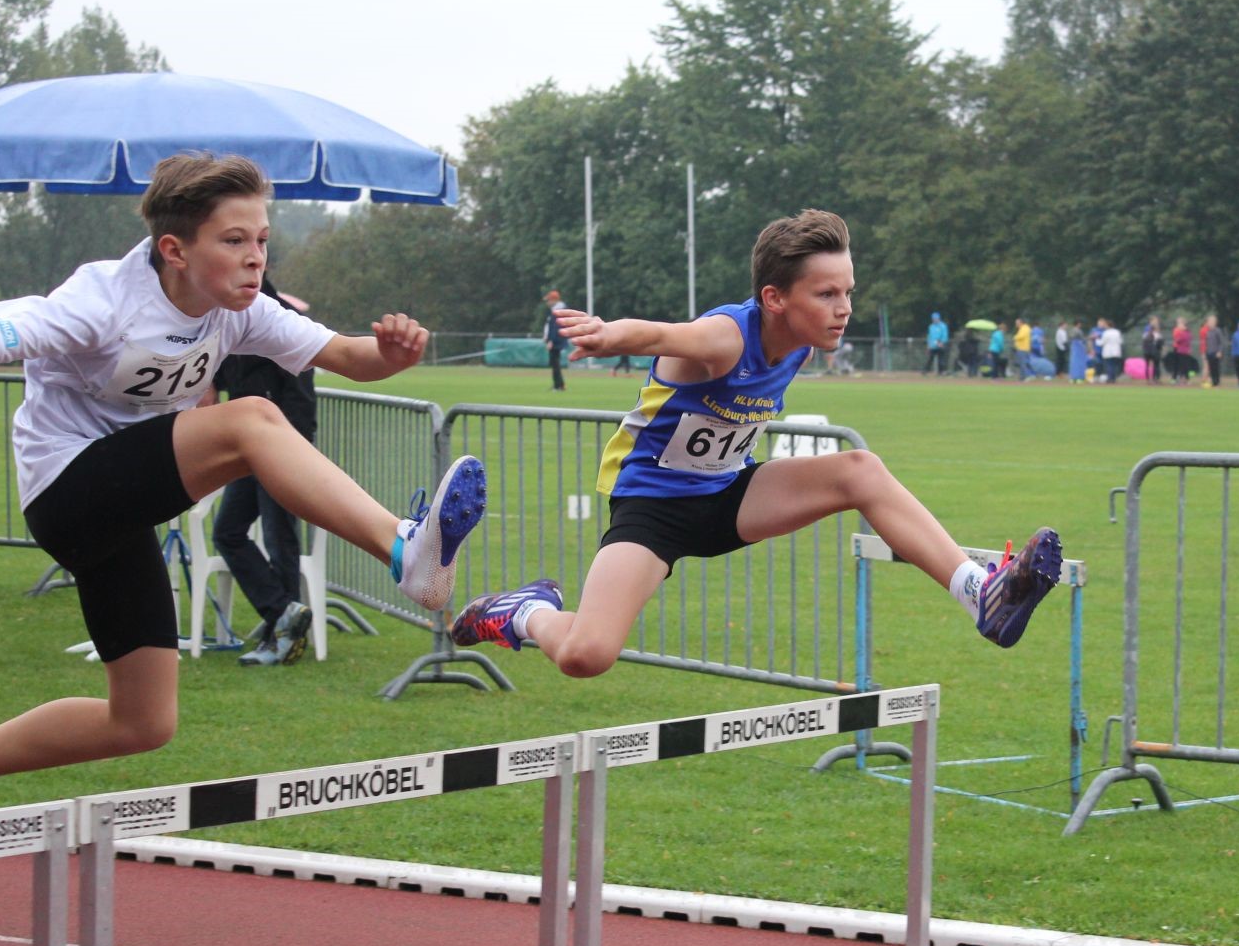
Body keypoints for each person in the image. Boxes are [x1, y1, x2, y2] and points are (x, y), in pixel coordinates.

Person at [0, 153, 487, 817]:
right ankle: (403, 550)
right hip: (66, 492)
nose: (256, 260)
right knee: (249, 421)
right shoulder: (105, 299)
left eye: (263, 242)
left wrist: (392, 354)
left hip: (120, 514)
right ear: (173, 249)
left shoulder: (240, 309)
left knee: (141, 721)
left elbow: (347, 356)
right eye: (235, 241)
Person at [447, 210, 1062, 680]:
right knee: (587, 655)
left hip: (730, 495)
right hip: (654, 510)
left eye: (848, 291)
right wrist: (609, 334)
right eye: (827, 295)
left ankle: (981, 591)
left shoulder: (801, 339)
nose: (844, 309)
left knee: (860, 470)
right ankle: (522, 611)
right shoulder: (726, 339)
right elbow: (666, 333)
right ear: (775, 298)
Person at [206, 277, 319, 666]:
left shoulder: (282, 324)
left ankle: (283, 638)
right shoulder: (227, 321)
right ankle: (283, 612)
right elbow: (215, 387)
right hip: (245, 450)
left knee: (279, 537)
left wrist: (289, 453)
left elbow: (300, 401)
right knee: (227, 532)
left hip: (284, 448)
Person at [543, 290, 567, 391]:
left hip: (556, 342)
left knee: (555, 364)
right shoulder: (556, 310)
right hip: (556, 341)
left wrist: (551, 341)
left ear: (554, 300)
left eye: (548, 300)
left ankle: (558, 385)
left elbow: (555, 328)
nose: (547, 302)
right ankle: (559, 384)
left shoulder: (558, 311)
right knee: (554, 364)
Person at [1202, 314, 1224, 387]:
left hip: (1216, 352)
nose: (1211, 323)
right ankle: (1213, 382)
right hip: (1209, 352)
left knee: (1216, 368)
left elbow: (1220, 342)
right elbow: (1205, 343)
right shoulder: (1207, 331)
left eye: (1212, 321)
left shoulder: (1218, 331)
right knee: (1210, 368)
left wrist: (1219, 351)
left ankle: (1217, 382)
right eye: (1210, 321)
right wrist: (1205, 352)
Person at [1099, 319, 1123, 383]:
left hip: (1108, 351)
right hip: (1116, 351)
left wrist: (1097, 341)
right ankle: (1113, 378)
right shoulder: (1117, 332)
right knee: (1114, 365)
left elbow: (1102, 342)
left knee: (1109, 365)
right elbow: (1120, 341)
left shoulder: (1106, 333)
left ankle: (1110, 378)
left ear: (1108, 325)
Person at [1140, 315, 1163, 383]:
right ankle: (1152, 378)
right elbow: (1160, 341)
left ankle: (1152, 378)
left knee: (1153, 365)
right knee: (1153, 365)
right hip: (1153, 350)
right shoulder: (1149, 329)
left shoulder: (1149, 332)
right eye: (1155, 320)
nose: (1156, 322)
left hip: (1148, 350)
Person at [1170, 316, 1192, 384]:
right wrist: (1182, 333)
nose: (1180, 324)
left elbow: (1189, 339)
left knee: (1185, 365)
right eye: (1179, 322)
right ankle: (1174, 378)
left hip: (1184, 350)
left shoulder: (1187, 331)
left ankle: (1185, 378)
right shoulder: (1176, 330)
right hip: (1177, 349)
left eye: (1182, 322)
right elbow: (1177, 339)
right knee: (1176, 364)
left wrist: (1184, 331)